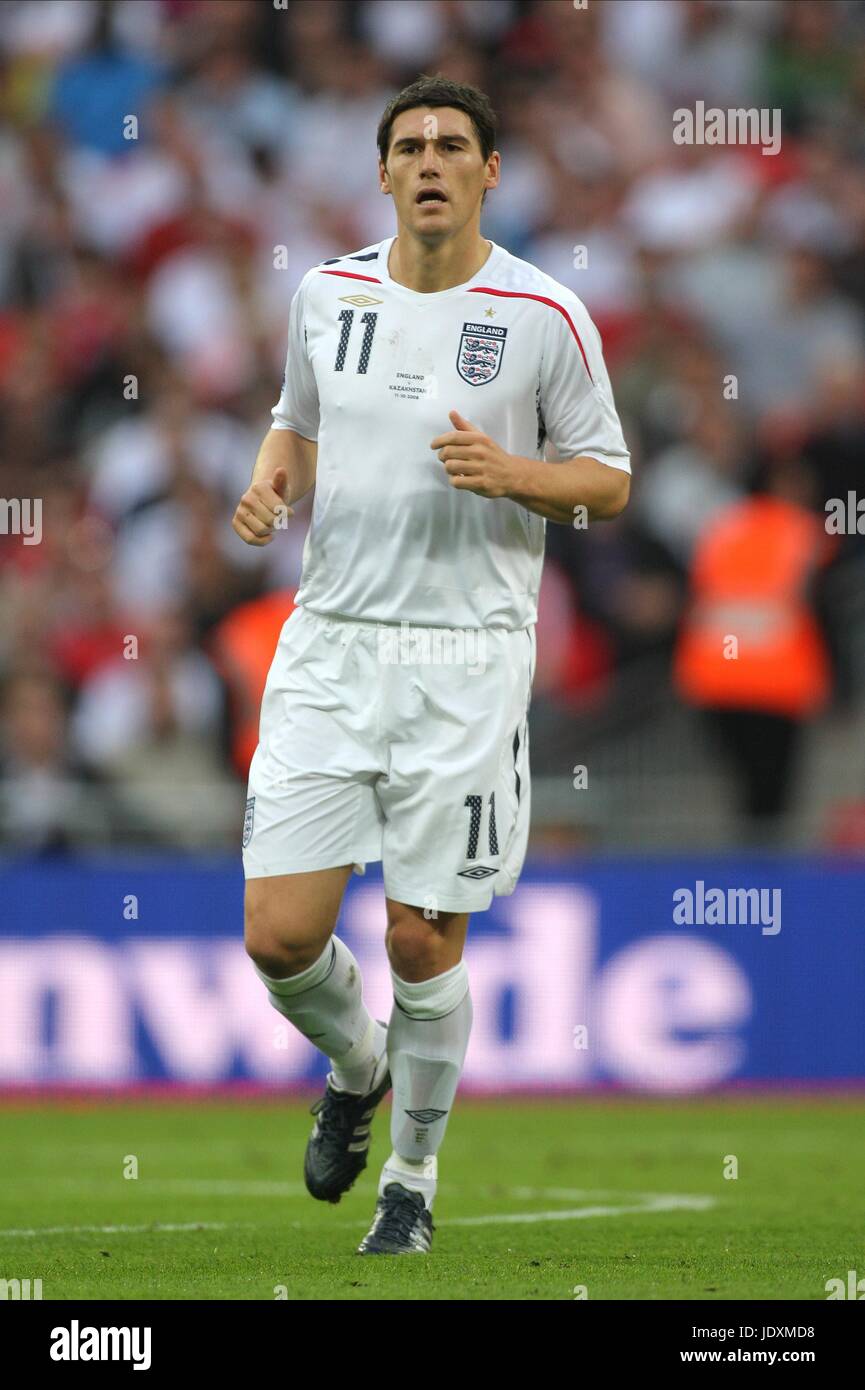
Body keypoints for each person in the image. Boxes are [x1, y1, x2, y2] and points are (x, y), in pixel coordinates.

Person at [231, 75, 630, 1255]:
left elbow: (605, 476)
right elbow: (294, 421)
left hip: (465, 661)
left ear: (489, 171)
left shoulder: (544, 313)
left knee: (419, 940)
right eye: (409, 145)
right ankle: (357, 1069)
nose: (430, 161)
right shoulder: (325, 293)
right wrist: (269, 482)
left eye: (453, 145)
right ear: (383, 171)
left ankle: (410, 1178)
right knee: (277, 936)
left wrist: (517, 474)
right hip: (332, 641)